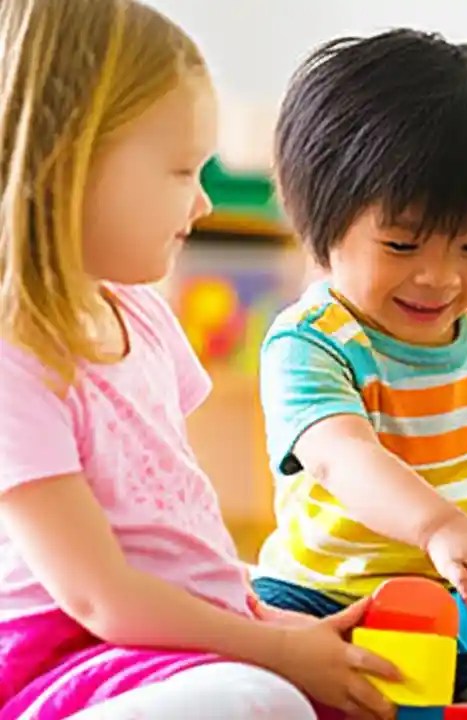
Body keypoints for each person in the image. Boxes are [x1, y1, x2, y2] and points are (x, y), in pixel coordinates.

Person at [0, 1, 400, 718]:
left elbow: (181, 543)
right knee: (259, 698)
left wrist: (283, 627)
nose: (205, 201)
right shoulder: (17, 359)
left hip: (162, 645)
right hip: (67, 659)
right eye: (183, 170)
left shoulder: (144, 319)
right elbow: (100, 595)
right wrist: (275, 650)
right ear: (71, 161)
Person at [250, 28, 467, 704]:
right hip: (325, 602)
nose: (439, 277)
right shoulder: (311, 343)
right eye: (401, 243)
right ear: (324, 220)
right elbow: (344, 458)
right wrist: (441, 528)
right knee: (266, 690)